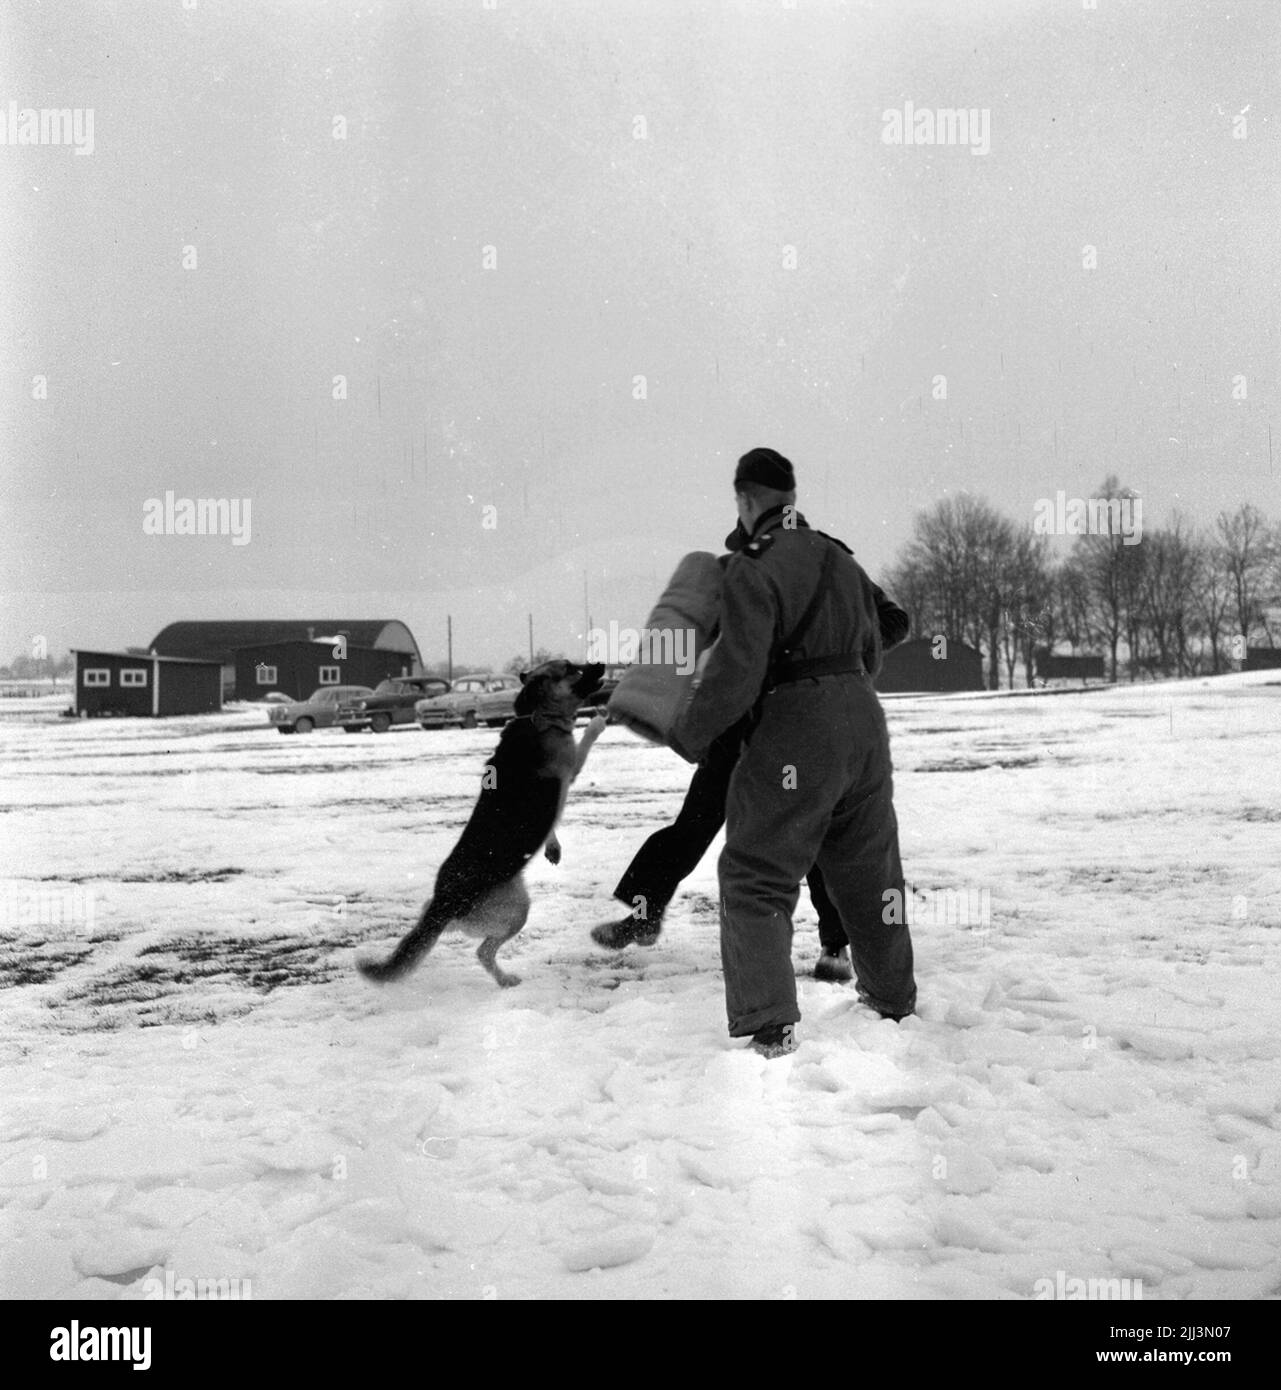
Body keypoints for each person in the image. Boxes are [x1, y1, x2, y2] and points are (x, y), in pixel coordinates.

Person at [664, 446, 917, 1057]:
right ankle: (892, 998)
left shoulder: (753, 567)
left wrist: (688, 732)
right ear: (792, 498)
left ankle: (769, 1021)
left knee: (754, 874)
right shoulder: (838, 556)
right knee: (871, 873)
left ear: (746, 500)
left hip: (795, 729)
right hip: (863, 724)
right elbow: (884, 633)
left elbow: (735, 673)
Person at [590, 528, 909, 988]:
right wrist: (646, 694)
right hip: (738, 723)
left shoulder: (834, 565)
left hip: (799, 723)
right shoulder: (746, 569)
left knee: (818, 836)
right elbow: (696, 628)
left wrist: (835, 648)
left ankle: (834, 945)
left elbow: (893, 620)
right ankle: (642, 914)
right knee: (693, 823)